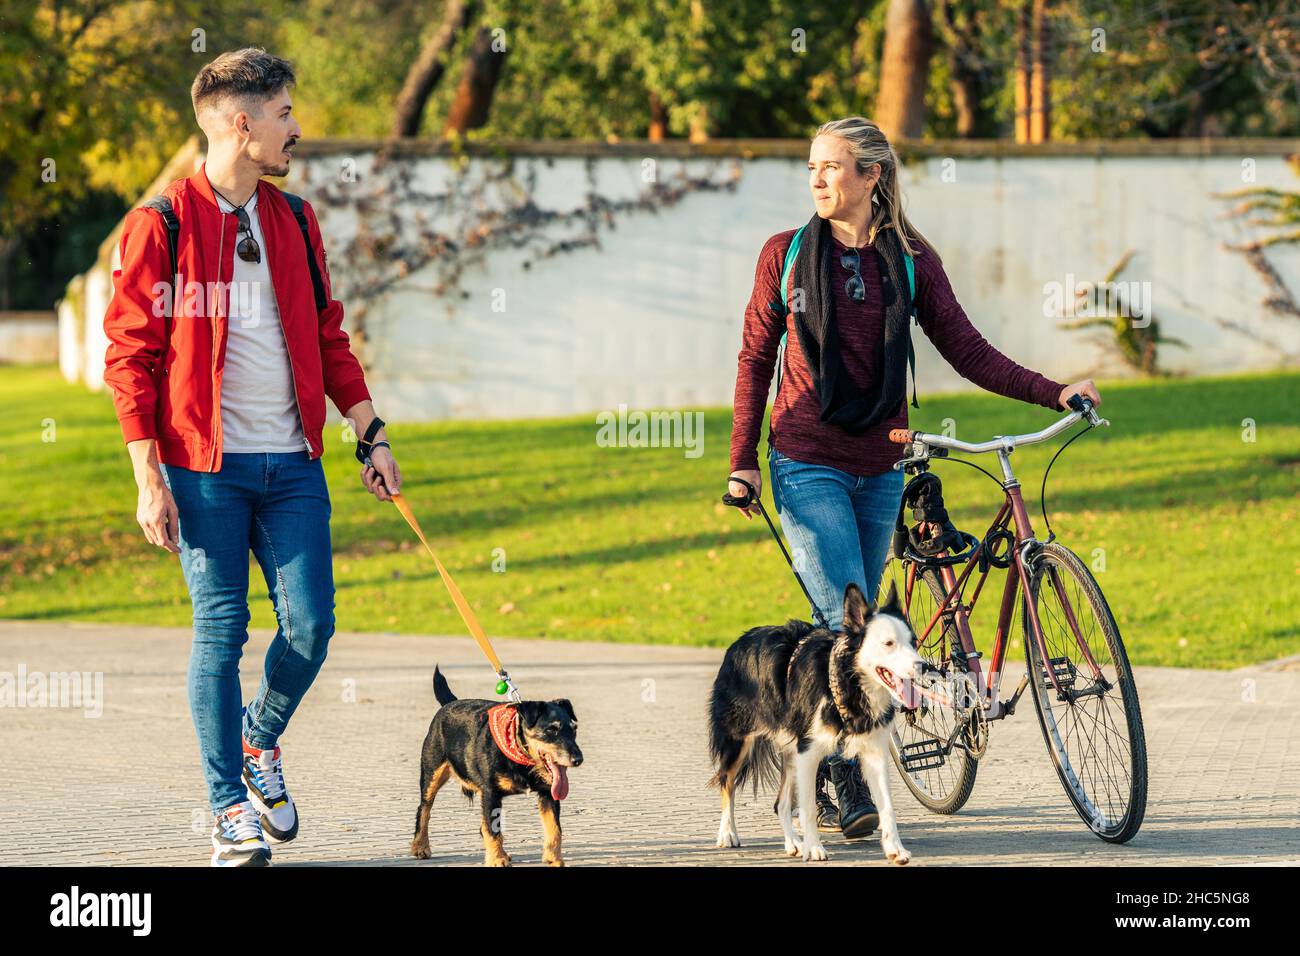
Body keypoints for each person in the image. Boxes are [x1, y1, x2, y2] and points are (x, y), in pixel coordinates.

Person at [726, 116, 1100, 839]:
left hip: (883, 463)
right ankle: (838, 782)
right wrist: (743, 461)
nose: (816, 178)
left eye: (831, 166)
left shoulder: (910, 259)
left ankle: (849, 749)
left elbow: (967, 349)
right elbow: (754, 359)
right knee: (844, 616)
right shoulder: (786, 254)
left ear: (872, 175)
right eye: (811, 167)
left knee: (866, 627)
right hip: (804, 460)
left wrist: (1052, 391)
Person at [102, 48, 401, 866]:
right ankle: (228, 804)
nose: (295, 129)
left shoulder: (296, 222)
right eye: (284, 114)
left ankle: (257, 740)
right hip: (205, 469)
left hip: (293, 463)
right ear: (243, 123)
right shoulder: (160, 224)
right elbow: (129, 356)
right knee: (221, 629)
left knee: (311, 625)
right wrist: (147, 477)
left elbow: (329, 337)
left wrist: (368, 433)